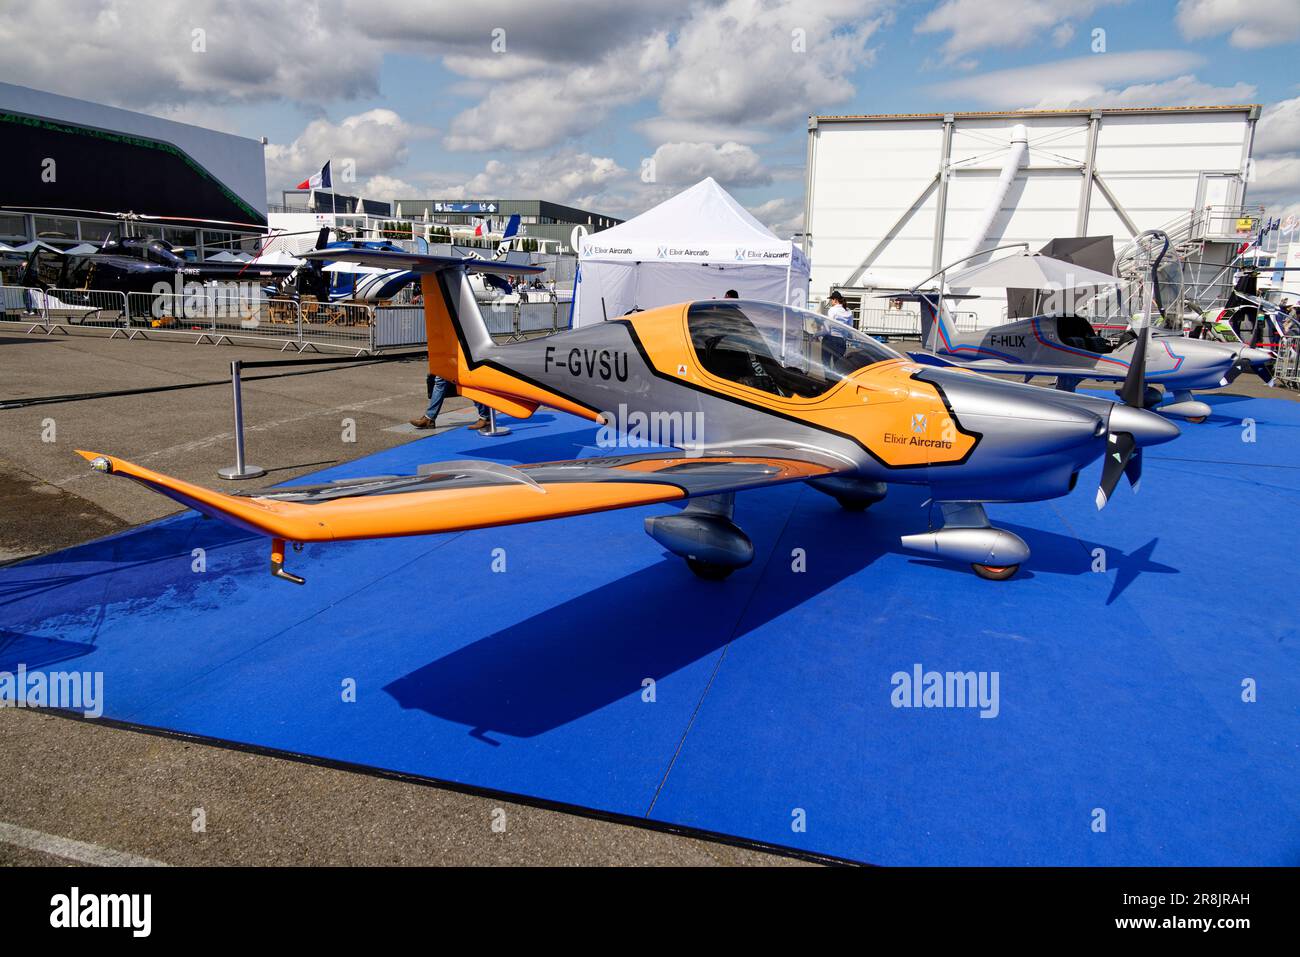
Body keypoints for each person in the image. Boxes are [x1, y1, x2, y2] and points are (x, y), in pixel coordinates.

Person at [409, 374, 490, 431]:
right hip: (449, 354)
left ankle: (485, 416)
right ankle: (429, 418)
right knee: (440, 379)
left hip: (459, 353)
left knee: (467, 379)